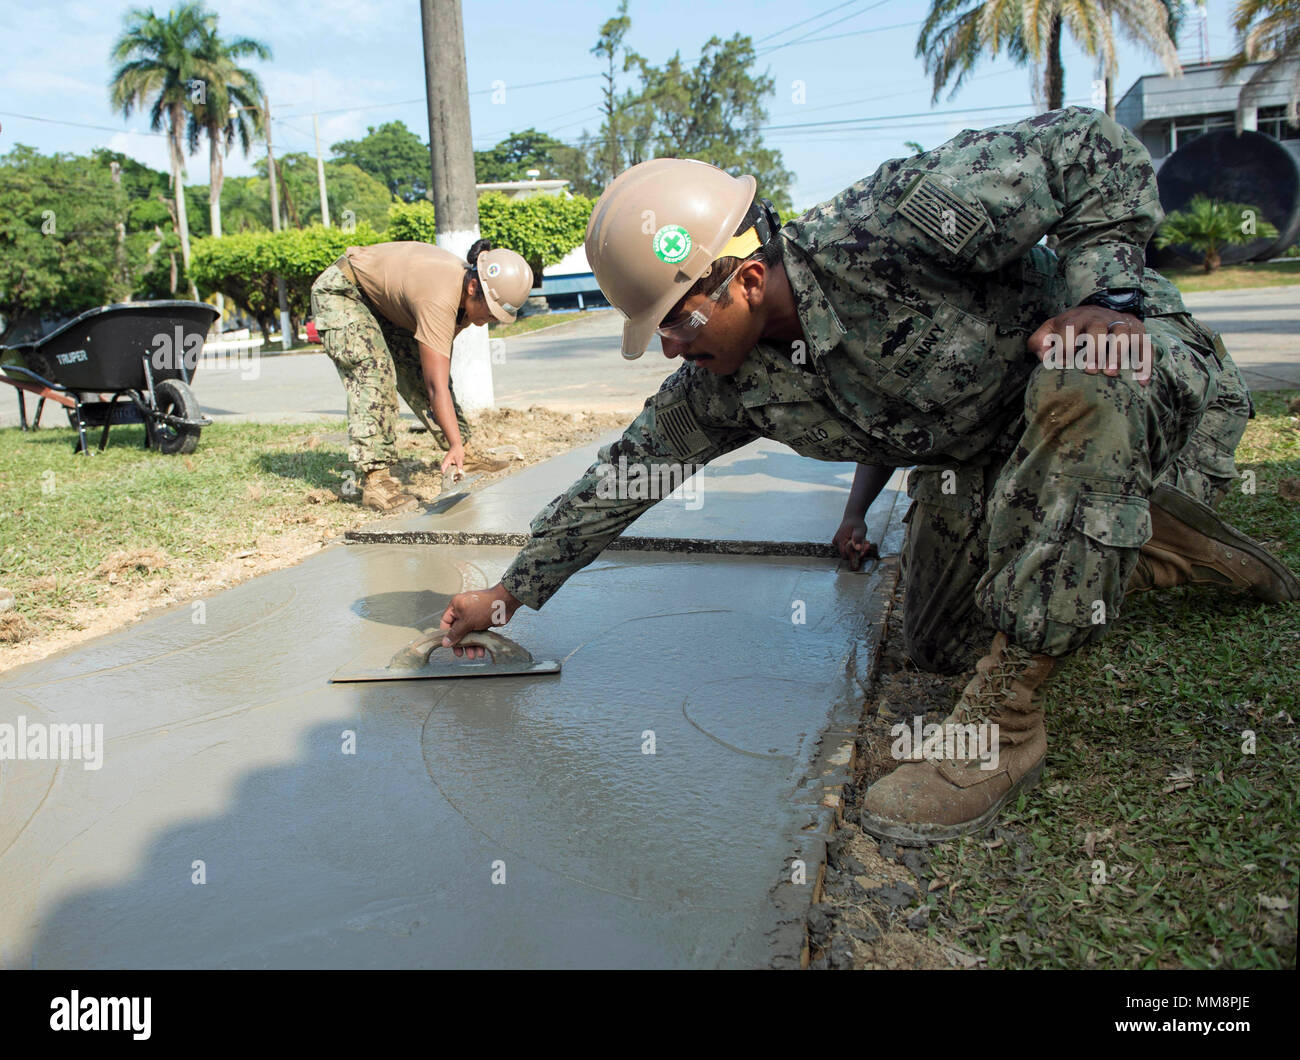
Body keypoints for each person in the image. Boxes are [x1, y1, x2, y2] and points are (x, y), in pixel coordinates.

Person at [436, 107, 1299, 843]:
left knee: (1082, 373)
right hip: (997, 458)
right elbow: (616, 484)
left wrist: (1105, 298)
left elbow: (1092, 147)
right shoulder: (723, 386)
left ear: (742, 278)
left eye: (676, 321)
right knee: (939, 645)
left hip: (1129, 370)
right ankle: (1142, 538)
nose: (670, 346)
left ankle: (1006, 728)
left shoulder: (893, 224)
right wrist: (507, 595)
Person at [310, 239, 533, 512]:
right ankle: (376, 481)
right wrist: (452, 442)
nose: (493, 319)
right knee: (374, 372)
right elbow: (434, 386)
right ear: (473, 287)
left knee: (419, 368)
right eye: (491, 311)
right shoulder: (439, 297)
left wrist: (457, 443)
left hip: (384, 306)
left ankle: (465, 452)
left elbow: (431, 376)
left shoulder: (466, 293)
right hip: (343, 293)